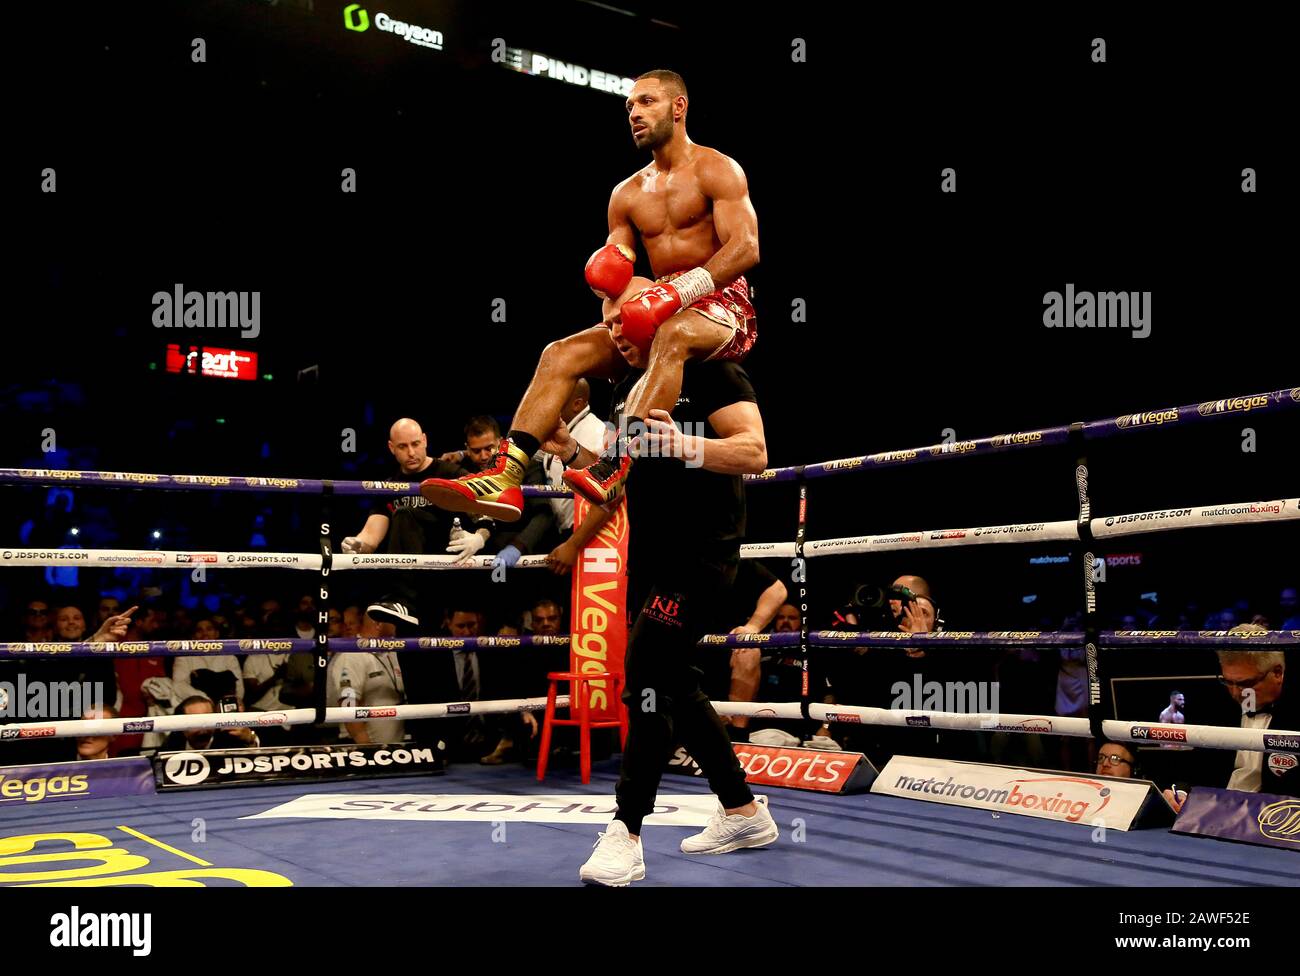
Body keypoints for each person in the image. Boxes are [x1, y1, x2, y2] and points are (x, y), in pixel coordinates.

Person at [420, 69, 760, 522]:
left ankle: (615, 464)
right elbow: (615, 276)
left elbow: (746, 247)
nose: (635, 113)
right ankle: (505, 477)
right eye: (629, 108)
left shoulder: (717, 168)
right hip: (662, 306)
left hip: (721, 304)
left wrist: (681, 289)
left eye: (646, 102)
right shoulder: (626, 194)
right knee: (560, 353)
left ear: (679, 108)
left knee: (673, 334)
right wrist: (611, 275)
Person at [570, 312, 777, 886]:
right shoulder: (624, 390)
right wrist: (575, 456)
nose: (611, 325)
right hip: (651, 559)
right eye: (605, 315)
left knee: (648, 678)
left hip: (700, 556)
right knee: (674, 682)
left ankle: (626, 831)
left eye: (622, 313)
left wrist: (685, 444)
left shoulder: (715, 373)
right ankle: (742, 810)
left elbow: (754, 451)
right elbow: (624, 473)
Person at [342, 417, 493, 626]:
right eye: (403, 447)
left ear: (424, 440)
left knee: (404, 513)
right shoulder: (390, 486)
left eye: (415, 444)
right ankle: (401, 602)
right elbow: (371, 535)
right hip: (412, 580)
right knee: (411, 650)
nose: (411, 453)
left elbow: (487, 513)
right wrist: (357, 545)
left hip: (446, 570)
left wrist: (479, 538)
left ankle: (400, 599)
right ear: (391, 448)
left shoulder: (450, 474)